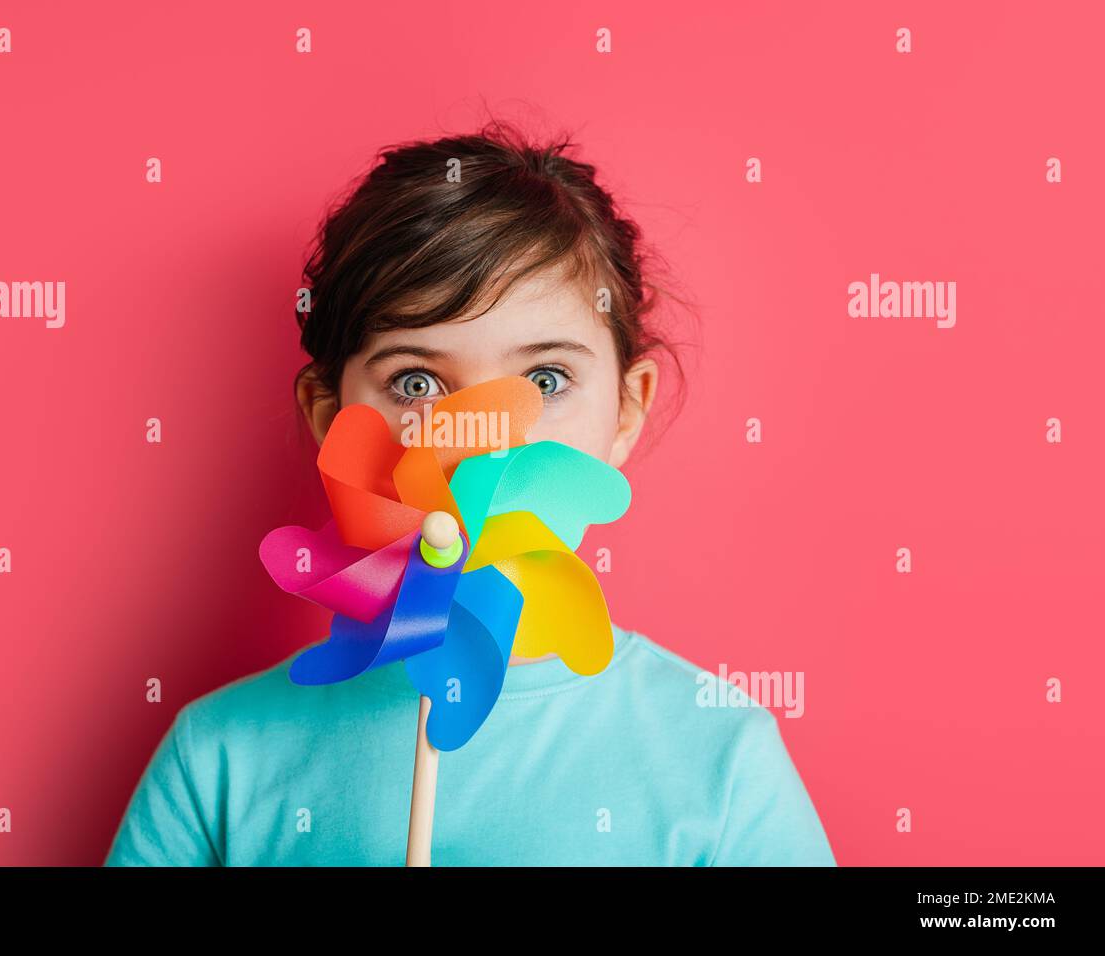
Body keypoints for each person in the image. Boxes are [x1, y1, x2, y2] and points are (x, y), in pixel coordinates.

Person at [105, 119, 837, 866]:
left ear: (626, 408)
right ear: (333, 419)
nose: (481, 438)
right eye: (416, 383)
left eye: (544, 381)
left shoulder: (720, 763)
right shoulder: (220, 762)